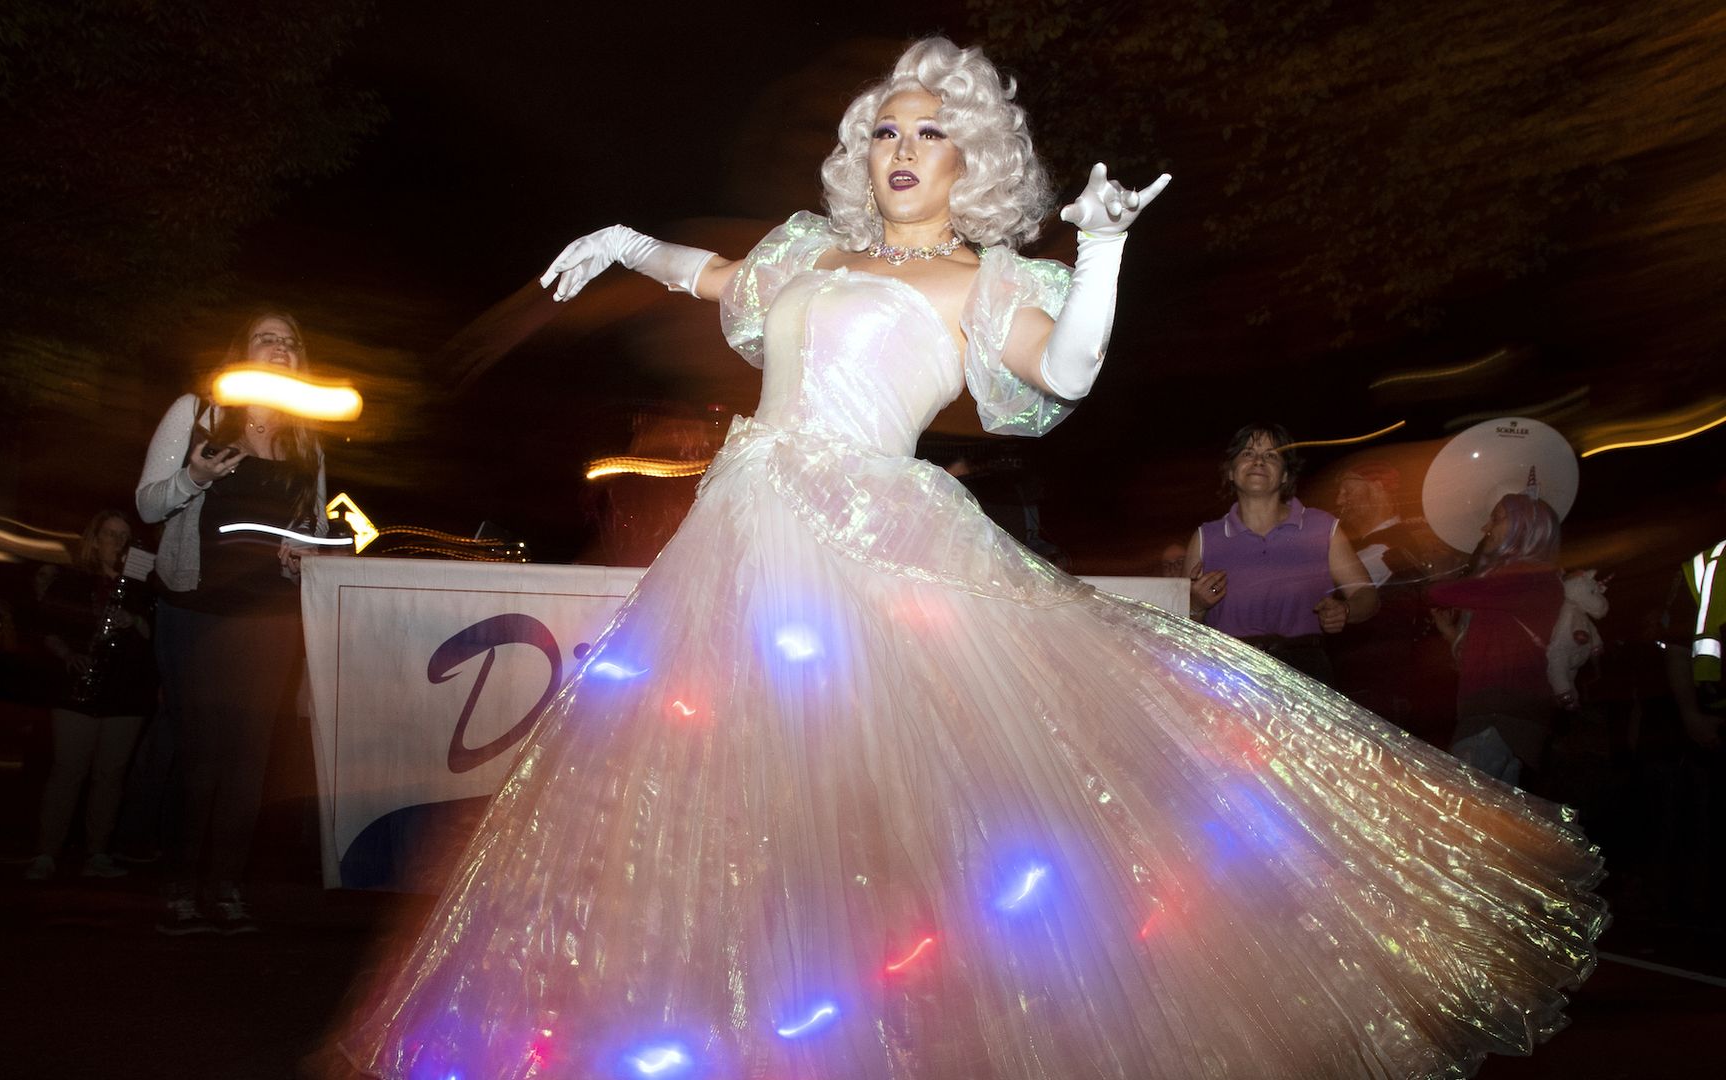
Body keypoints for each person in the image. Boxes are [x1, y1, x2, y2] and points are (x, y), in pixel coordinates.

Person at [344, 40, 1603, 1079]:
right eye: (885, 131)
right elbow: (715, 276)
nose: (902, 151)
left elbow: (1063, 370)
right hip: (738, 547)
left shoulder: (987, 279)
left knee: (880, 817)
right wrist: (626, 241)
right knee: (709, 815)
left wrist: (1103, 247)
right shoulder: (805, 252)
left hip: (867, 546)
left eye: (931, 132)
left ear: (974, 159)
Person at [136, 311, 327, 934]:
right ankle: (179, 885)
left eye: (290, 341)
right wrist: (194, 477)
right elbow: (146, 502)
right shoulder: (200, 413)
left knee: (250, 758)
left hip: (267, 617)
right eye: (266, 338)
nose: (281, 347)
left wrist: (304, 551)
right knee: (201, 753)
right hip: (195, 608)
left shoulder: (306, 439)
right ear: (240, 351)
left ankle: (224, 887)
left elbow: (317, 531)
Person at [1185, 423, 1377, 684]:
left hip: (1305, 673)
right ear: (1231, 471)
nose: (1258, 461)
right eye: (1247, 453)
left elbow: (1367, 596)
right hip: (1228, 675)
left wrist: (1345, 609)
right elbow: (1179, 626)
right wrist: (1195, 605)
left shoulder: (1322, 528)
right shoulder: (1206, 538)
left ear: (1286, 475)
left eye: (1271, 455)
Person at [25, 511, 155, 881]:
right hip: (77, 685)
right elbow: (46, 627)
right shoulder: (71, 580)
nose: (117, 541)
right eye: (111, 534)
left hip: (126, 689)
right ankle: (46, 853)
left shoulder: (143, 586)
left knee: (110, 775)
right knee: (68, 770)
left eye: (124, 536)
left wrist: (137, 621)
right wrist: (68, 654)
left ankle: (97, 853)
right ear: (95, 539)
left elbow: (155, 636)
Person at [1429, 493, 1566, 787]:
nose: (1485, 527)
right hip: (1498, 716)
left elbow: (1442, 592)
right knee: (1489, 823)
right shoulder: (1528, 582)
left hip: (1498, 717)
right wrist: (1450, 633)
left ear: (1523, 527)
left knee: (1462, 809)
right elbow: (1484, 655)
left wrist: (1438, 566)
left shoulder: (1530, 577)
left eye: (1497, 517)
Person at [1328, 460, 1463, 741]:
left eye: (1347, 489)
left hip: (1379, 693)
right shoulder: (1386, 547)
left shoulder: (1389, 551)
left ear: (1378, 488)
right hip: (1385, 690)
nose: (1340, 499)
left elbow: (1324, 601)